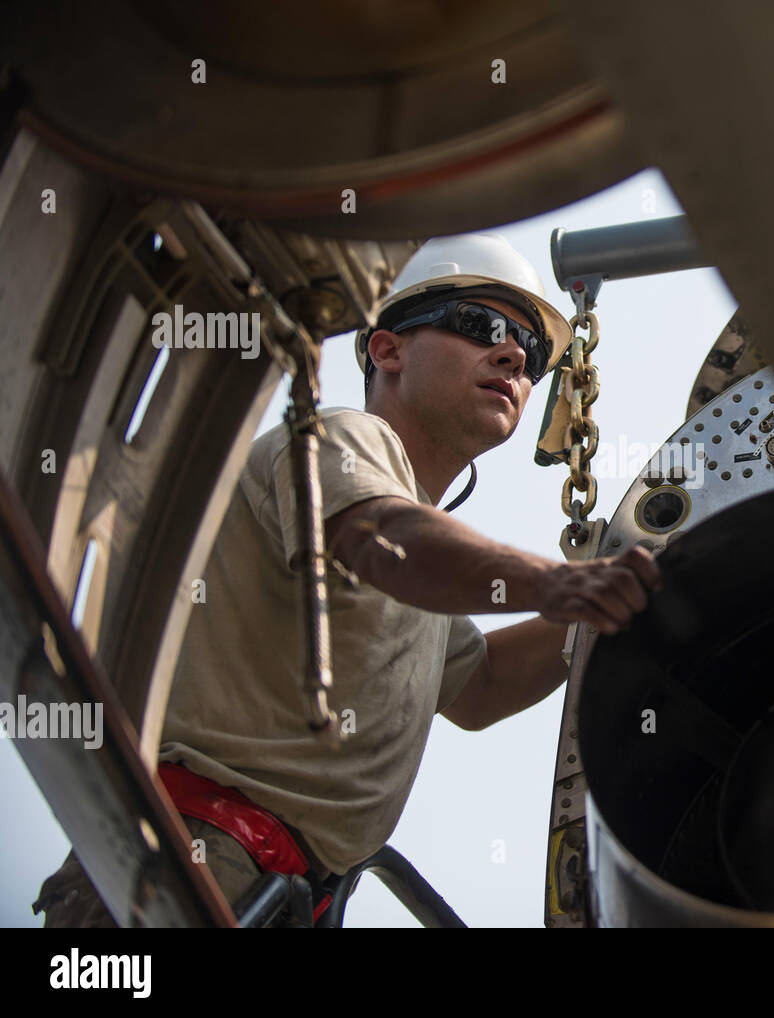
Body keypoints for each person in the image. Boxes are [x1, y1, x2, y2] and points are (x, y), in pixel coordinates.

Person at [33, 232, 661, 927]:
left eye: (531, 352)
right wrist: (555, 583)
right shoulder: (339, 440)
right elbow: (381, 539)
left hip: (284, 895)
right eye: (480, 326)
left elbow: (478, 686)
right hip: (195, 858)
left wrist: (601, 618)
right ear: (387, 349)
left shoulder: (423, 563)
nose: (514, 355)